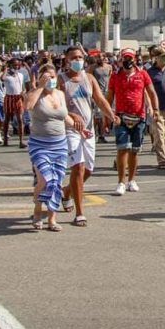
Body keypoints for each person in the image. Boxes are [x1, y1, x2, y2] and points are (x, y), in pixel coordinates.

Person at [60, 47, 115, 226]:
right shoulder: (61, 80)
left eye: (80, 57)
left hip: (89, 130)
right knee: (79, 166)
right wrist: (71, 115)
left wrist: (111, 115)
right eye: (73, 57)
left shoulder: (89, 78)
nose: (77, 60)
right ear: (67, 60)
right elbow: (57, 106)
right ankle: (80, 212)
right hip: (70, 130)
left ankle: (67, 191)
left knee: (89, 169)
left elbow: (99, 100)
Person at [24, 65, 79, 232]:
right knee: (45, 179)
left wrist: (79, 128)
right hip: (40, 143)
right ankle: (37, 211)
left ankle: (52, 218)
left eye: (53, 77)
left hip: (59, 143)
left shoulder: (60, 94)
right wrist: (40, 86)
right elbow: (28, 106)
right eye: (47, 77)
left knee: (57, 181)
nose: (51, 80)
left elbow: (64, 116)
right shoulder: (35, 94)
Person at [107, 47, 158, 195]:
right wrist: (107, 115)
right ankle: (121, 182)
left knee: (134, 151)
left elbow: (151, 92)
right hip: (121, 117)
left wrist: (155, 109)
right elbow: (109, 97)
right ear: (121, 59)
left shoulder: (142, 74)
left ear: (134, 59)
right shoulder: (115, 76)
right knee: (122, 149)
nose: (127, 61)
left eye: (130, 58)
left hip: (139, 116)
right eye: (125, 58)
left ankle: (132, 180)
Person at [2, 58, 27, 148]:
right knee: (7, 119)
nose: (16, 67)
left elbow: (22, 87)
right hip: (9, 97)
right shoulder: (7, 75)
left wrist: (23, 92)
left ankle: (21, 141)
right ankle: (5, 139)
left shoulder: (20, 75)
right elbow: (2, 78)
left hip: (18, 97)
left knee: (20, 119)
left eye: (17, 65)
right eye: (14, 65)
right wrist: (6, 68)